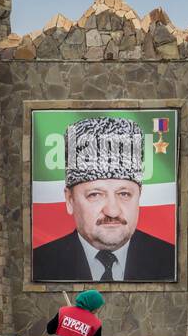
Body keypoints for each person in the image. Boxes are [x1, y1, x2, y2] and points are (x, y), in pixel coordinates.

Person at [32, 116, 175, 282]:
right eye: (95, 195)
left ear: (139, 196)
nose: (112, 211)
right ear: (70, 200)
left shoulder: (172, 262)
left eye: (124, 194)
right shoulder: (37, 265)